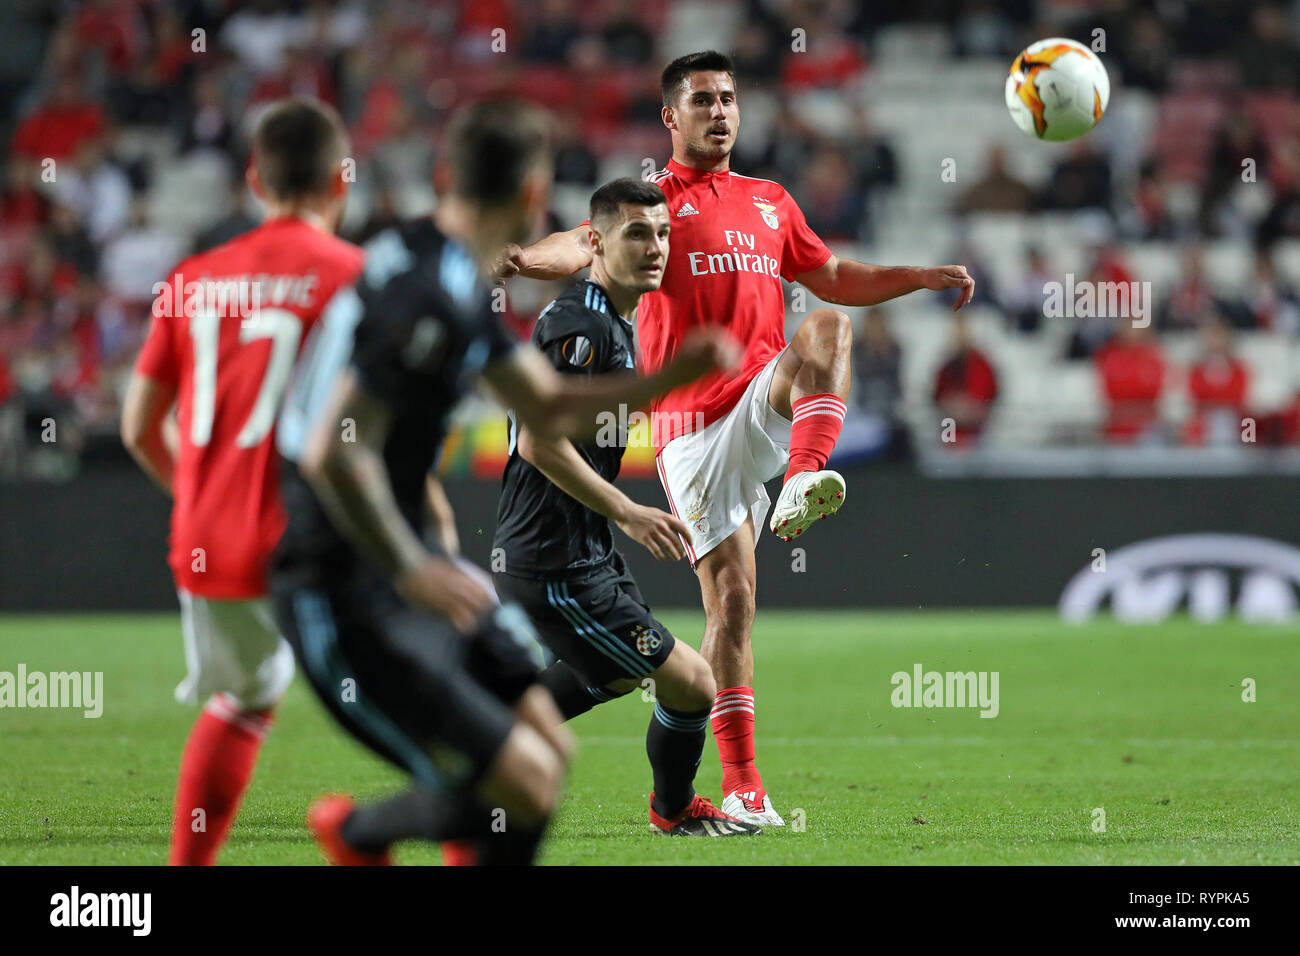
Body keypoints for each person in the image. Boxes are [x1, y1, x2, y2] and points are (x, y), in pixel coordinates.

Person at [495, 51, 974, 826]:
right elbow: (579, 243)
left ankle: (803, 478)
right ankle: (745, 783)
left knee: (824, 327)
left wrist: (917, 276)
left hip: (761, 396)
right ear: (671, 118)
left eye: (728, 99)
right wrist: (525, 258)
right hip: (688, 425)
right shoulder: (654, 205)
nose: (720, 112)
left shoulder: (771, 201)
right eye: (703, 100)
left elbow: (833, 276)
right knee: (734, 599)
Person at [270, 100, 739, 865]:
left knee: (543, 760)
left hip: (435, 565)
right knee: (527, 777)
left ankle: (383, 831)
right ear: (535, 193)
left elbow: (545, 402)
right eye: (638, 234)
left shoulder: (442, 272)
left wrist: (678, 371)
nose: (656, 249)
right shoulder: (430, 293)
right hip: (347, 575)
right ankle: (361, 833)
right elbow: (334, 453)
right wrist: (411, 563)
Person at [120, 99, 364, 865]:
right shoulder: (353, 277)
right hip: (312, 535)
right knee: (439, 697)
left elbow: (136, 426)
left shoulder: (190, 279)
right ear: (342, 180)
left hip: (206, 545)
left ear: (254, 179)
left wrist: (200, 498)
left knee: (244, 699)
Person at [493, 178, 758, 837]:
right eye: (637, 233)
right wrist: (628, 512)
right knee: (692, 683)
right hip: (554, 559)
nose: (656, 247)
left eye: (663, 233)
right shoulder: (579, 324)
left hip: (579, 552)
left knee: (607, 677)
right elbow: (538, 439)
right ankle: (674, 810)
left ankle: (475, 730)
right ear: (596, 243)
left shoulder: (614, 320)